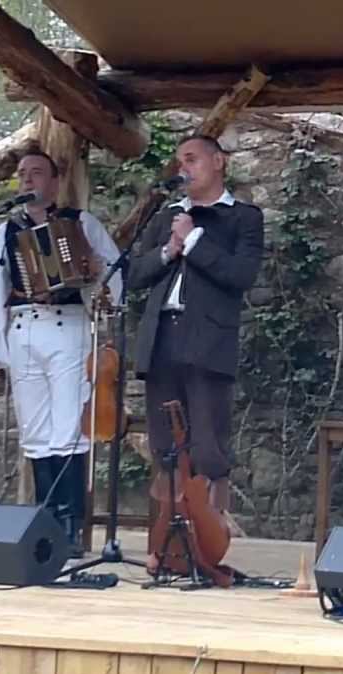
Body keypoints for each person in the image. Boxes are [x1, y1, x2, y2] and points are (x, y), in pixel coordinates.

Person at [0, 150, 122, 556]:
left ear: (55, 181)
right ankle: (45, 519)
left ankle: (69, 526)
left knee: (68, 426)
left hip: (67, 326)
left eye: (37, 173)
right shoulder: (7, 231)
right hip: (23, 330)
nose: (28, 180)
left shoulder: (80, 223)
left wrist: (92, 274)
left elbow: (115, 272)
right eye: (22, 174)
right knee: (34, 431)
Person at [127, 134, 265, 532]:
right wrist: (170, 248)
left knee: (208, 443)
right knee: (164, 444)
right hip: (161, 339)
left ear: (219, 161)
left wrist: (194, 240)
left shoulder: (243, 217)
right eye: (179, 161)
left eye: (192, 158)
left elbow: (240, 276)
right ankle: (168, 543)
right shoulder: (166, 216)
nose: (183, 167)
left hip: (208, 341)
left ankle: (209, 542)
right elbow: (135, 274)